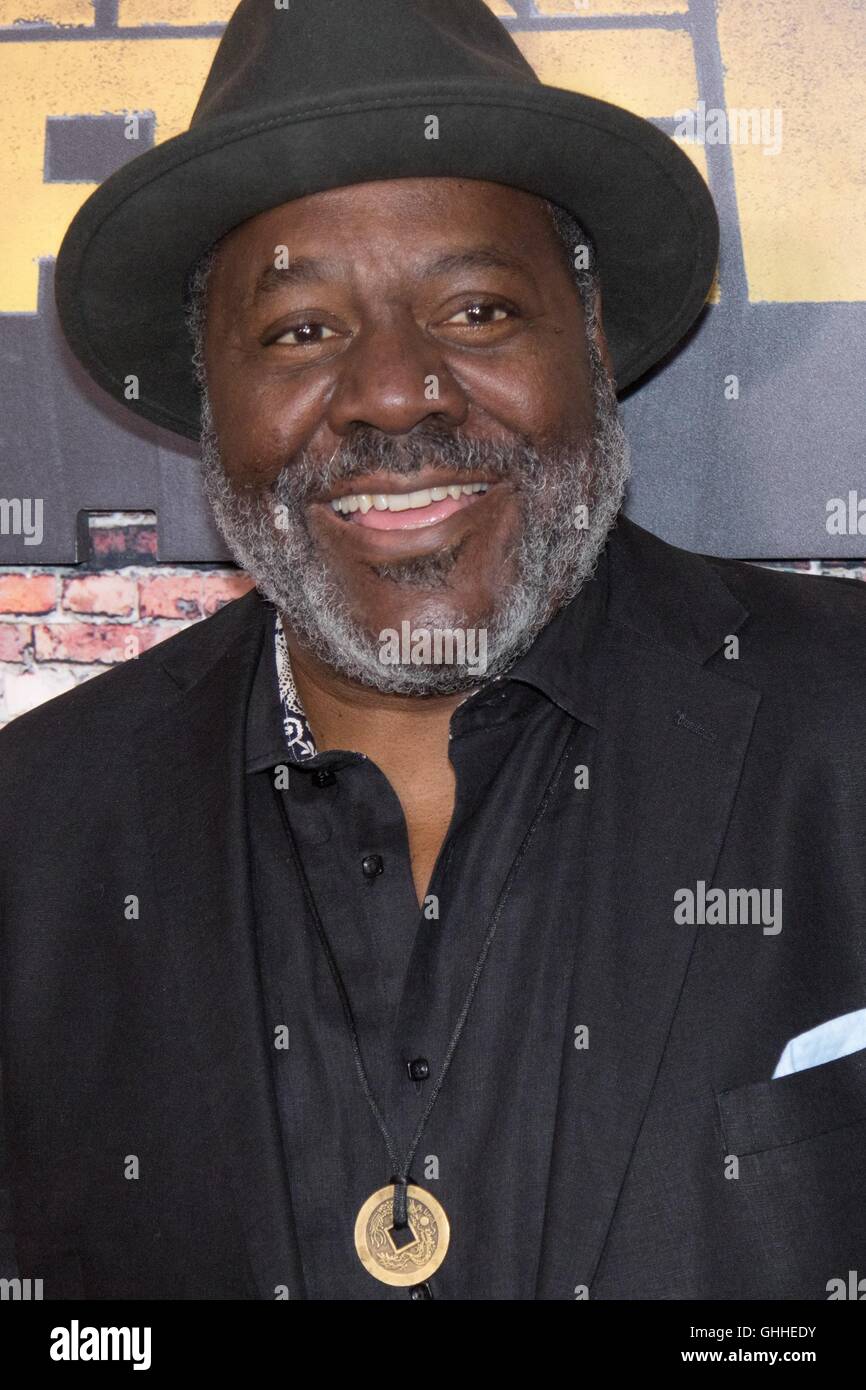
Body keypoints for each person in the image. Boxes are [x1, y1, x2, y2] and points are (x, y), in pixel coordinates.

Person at [2, 0, 865, 1301]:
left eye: (474, 309)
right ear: (210, 396)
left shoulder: (843, 727)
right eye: (301, 330)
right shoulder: (37, 837)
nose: (395, 391)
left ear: (588, 340)